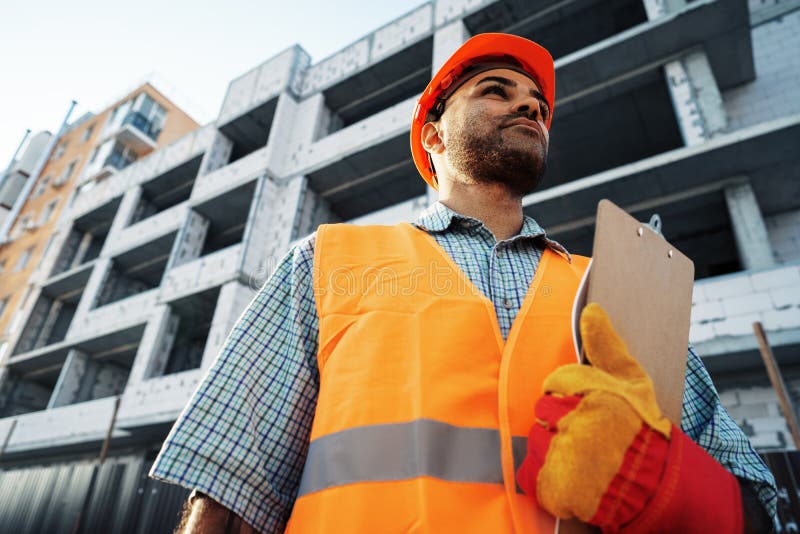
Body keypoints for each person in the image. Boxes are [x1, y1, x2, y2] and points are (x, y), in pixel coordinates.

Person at [150, 33, 777, 533]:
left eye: (537, 101)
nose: (530, 105)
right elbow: (229, 501)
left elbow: (753, 508)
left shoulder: (617, 284)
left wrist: (660, 483)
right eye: (496, 91)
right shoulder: (328, 260)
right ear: (433, 135)